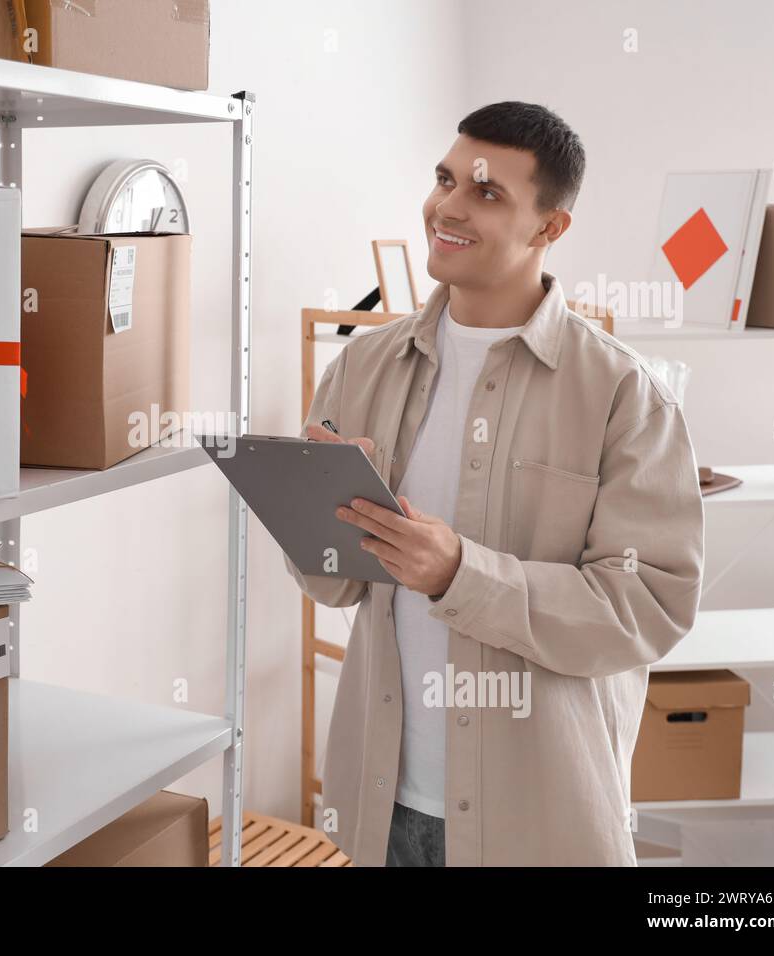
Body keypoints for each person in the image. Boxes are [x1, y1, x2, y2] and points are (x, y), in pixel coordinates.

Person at [285, 101, 704, 866]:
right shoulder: (362, 366)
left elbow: (648, 607)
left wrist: (457, 574)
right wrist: (321, 520)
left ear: (549, 228)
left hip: (541, 821)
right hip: (380, 805)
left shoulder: (622, 394)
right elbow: (333, 587)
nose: (446, 206)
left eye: (485, 193)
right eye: (445, 179)